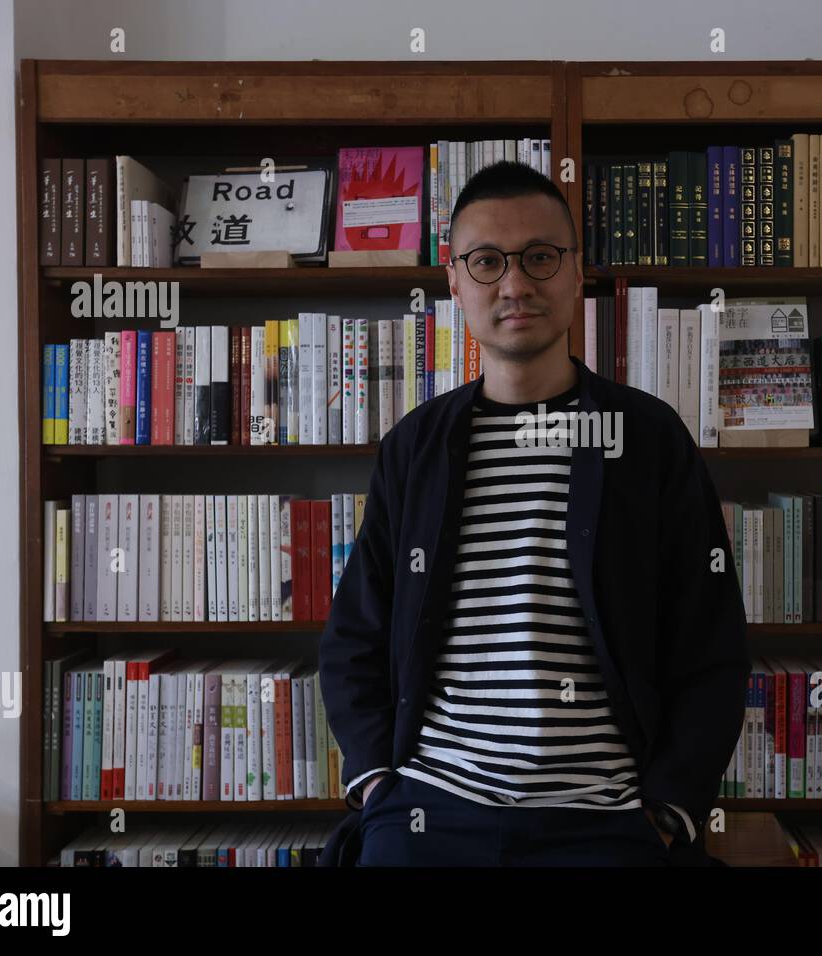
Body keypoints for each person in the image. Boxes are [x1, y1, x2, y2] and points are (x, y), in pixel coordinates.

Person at [318, 159, 749, 866]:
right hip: (430, 808)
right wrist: (375, 782)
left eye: (540, 257)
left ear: (577, 273)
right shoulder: (415, 449)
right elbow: (353, 636)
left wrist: (669, 810)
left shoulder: (648, 439)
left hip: (606, 816)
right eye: (487, 261)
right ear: (454, 282)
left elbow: (711, 641)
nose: (515, 284)